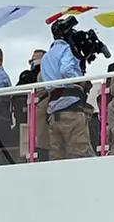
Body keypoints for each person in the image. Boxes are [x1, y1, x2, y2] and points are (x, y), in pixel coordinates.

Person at [39, 17, 95, 160]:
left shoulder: (46, 56)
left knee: (57, 157)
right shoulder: (67, 49)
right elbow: (67, 70)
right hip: (71, 107)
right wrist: (80, 81)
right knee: (78, 155)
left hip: (53, 111)